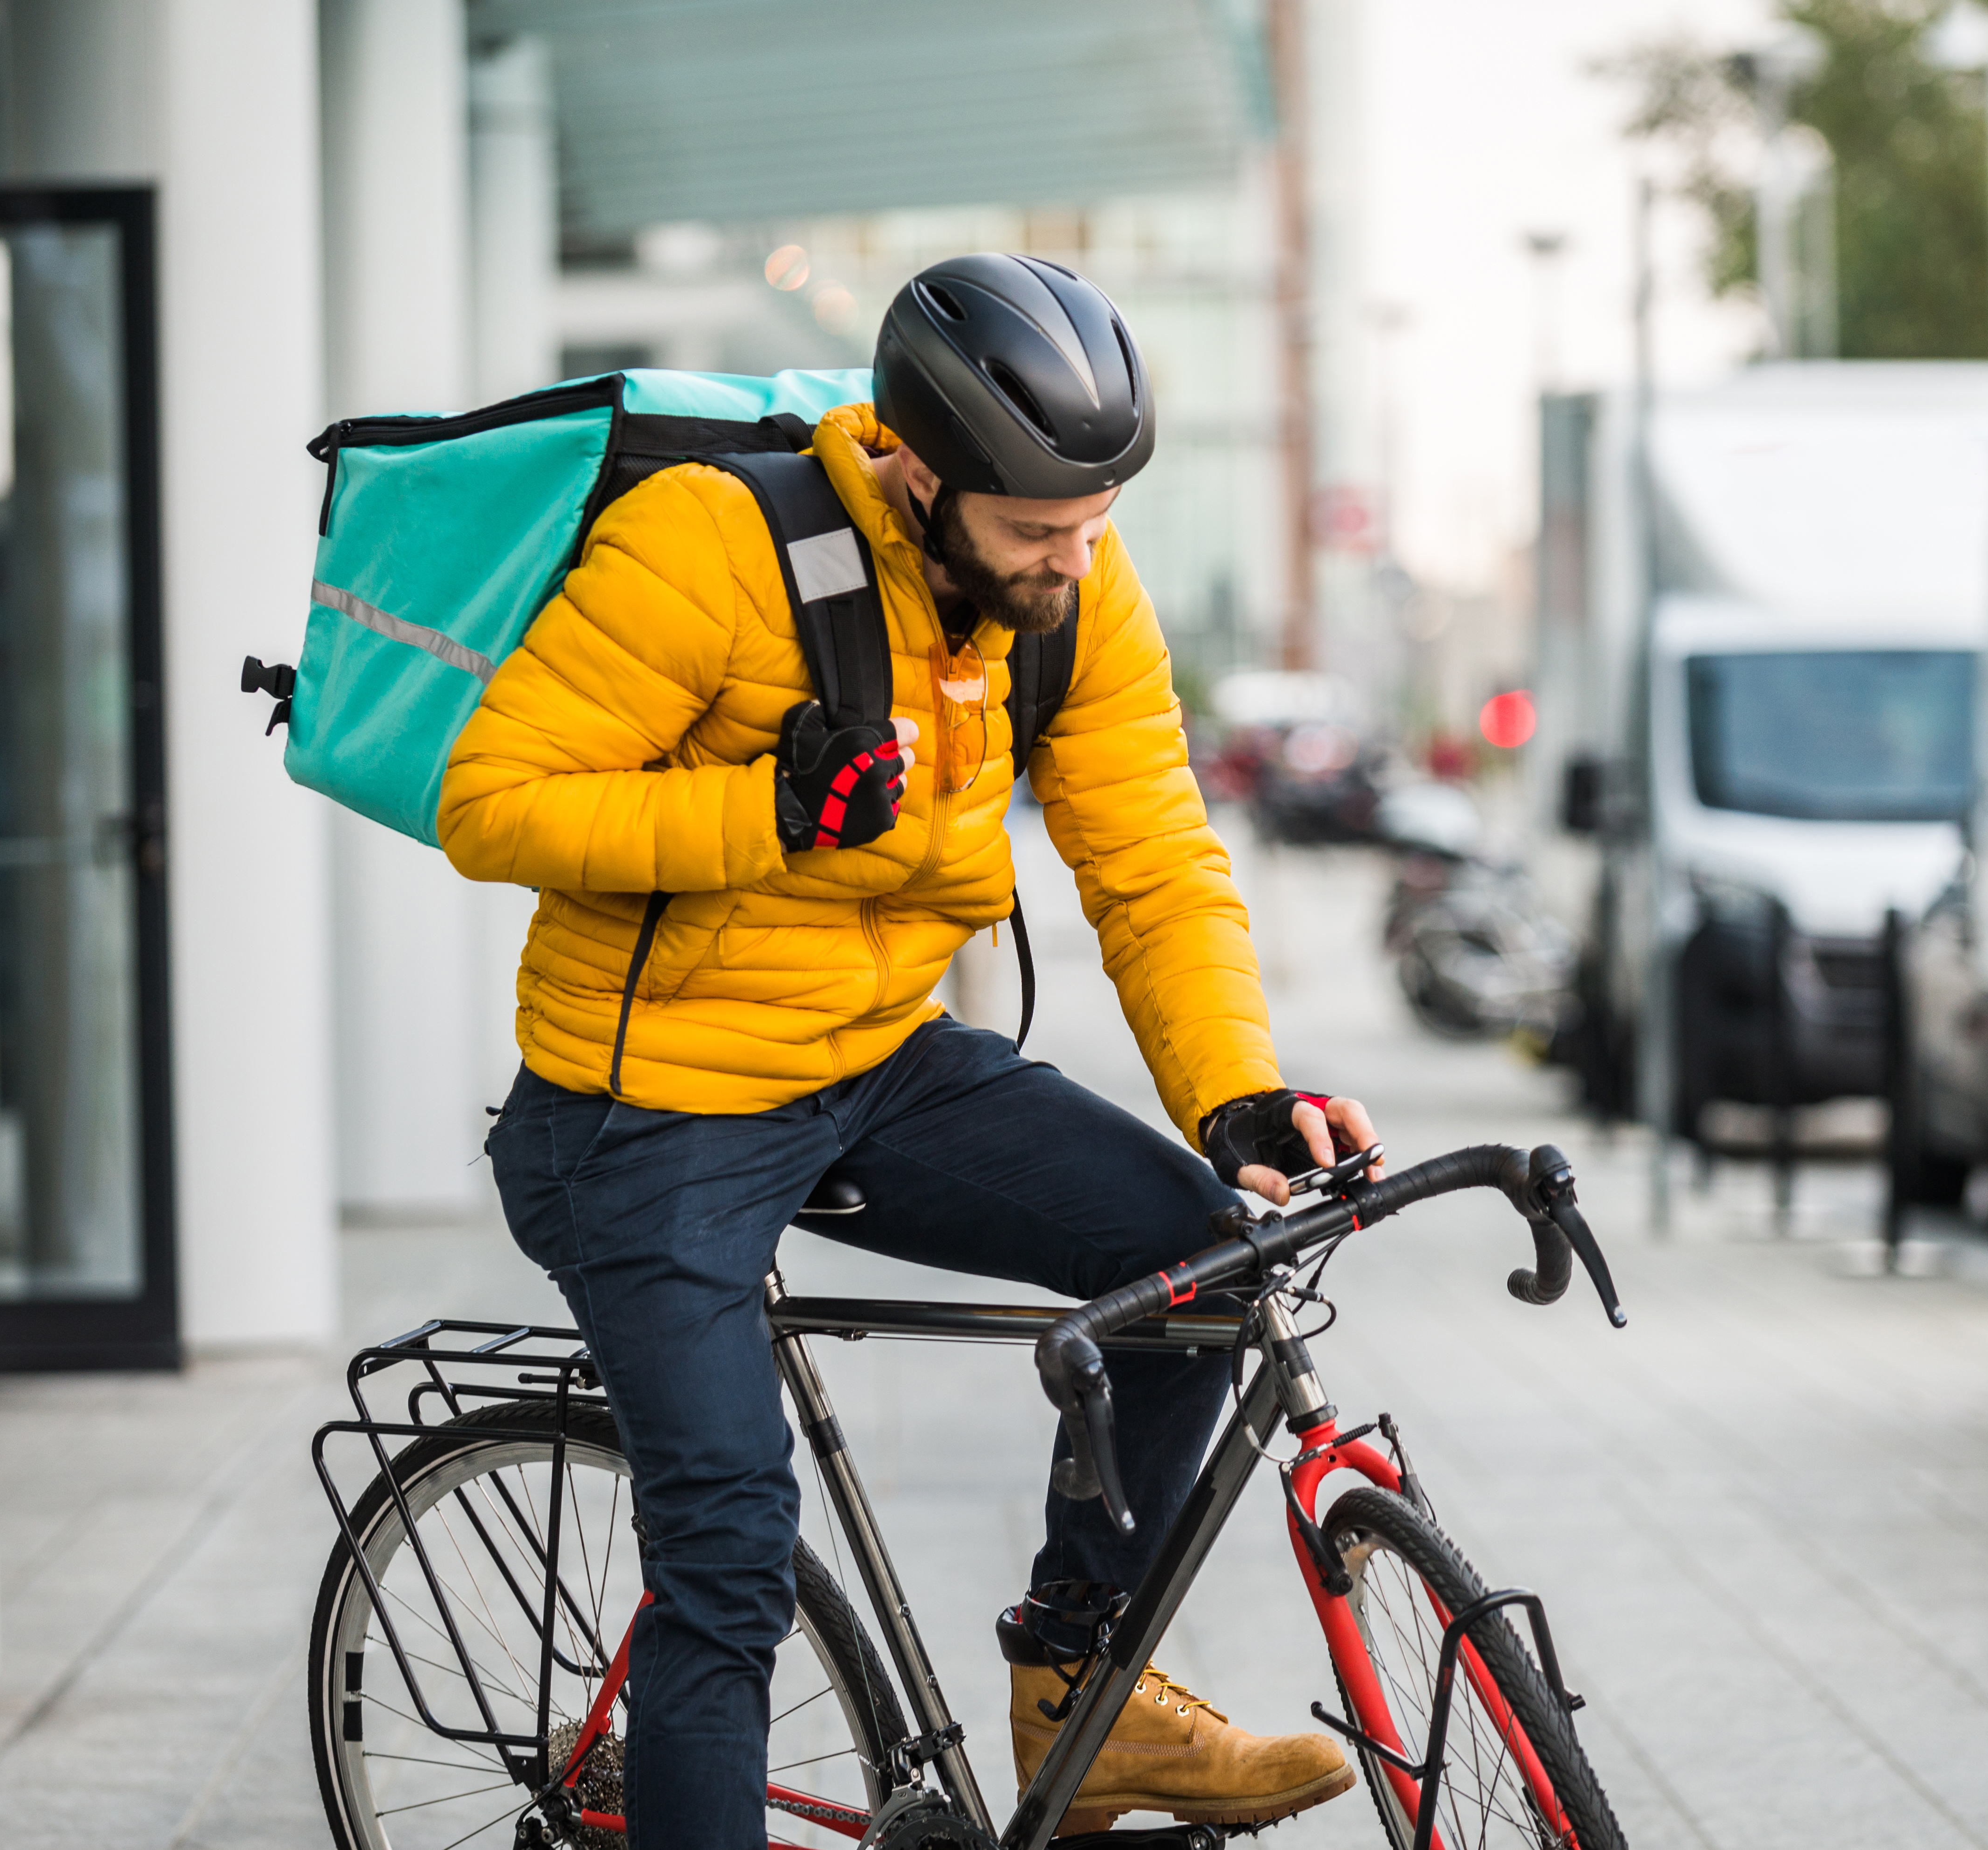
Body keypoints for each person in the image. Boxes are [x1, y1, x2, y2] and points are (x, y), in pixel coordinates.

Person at [444, 253, 1383, 1846]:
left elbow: (1151, 859)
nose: (1069, 563)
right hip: (644, 1106)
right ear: (914, 466)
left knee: (1195, 1261)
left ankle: (1082, 1688)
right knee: (729, 1556)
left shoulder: (1075, 586)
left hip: (873, 1065)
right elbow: (491, 802)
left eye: (1090, 527)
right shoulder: (711, 549)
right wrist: (761, 809)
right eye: (1033, 532)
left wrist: (1236, 1091)